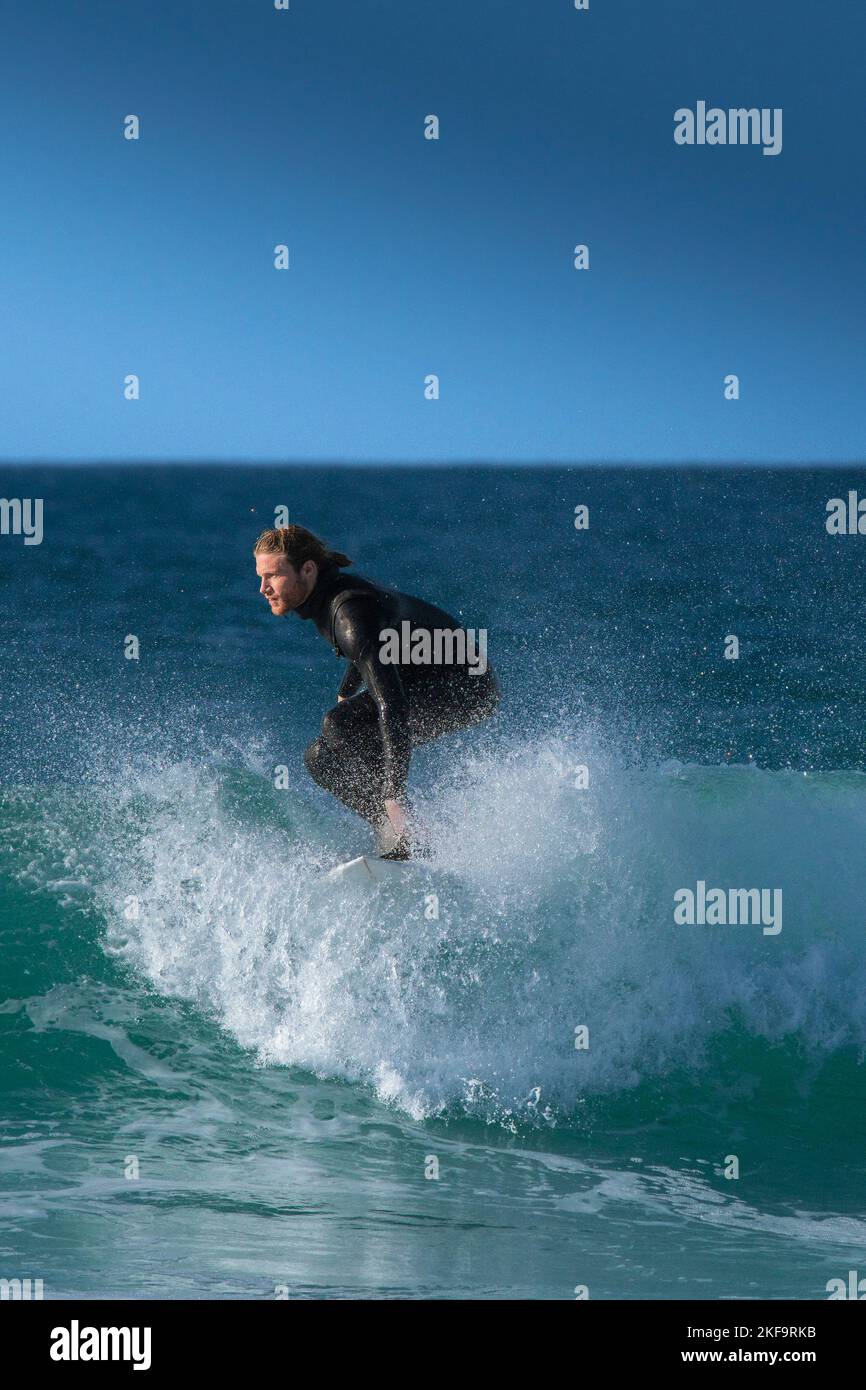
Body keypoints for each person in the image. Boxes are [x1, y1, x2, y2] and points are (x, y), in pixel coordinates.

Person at [254, 525, 500, 858]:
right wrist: (346, 692)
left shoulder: (347, 611)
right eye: (261, 577)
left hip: (467, 685)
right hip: (429, 676)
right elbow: (376, 647)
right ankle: (397, 832)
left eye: (273, 576)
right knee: (320, 758)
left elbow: (393, 703)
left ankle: (406, 827)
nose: (264, 588)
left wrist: (393, 791)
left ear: (307, 569)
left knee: (340, 726)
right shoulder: (333, 598)